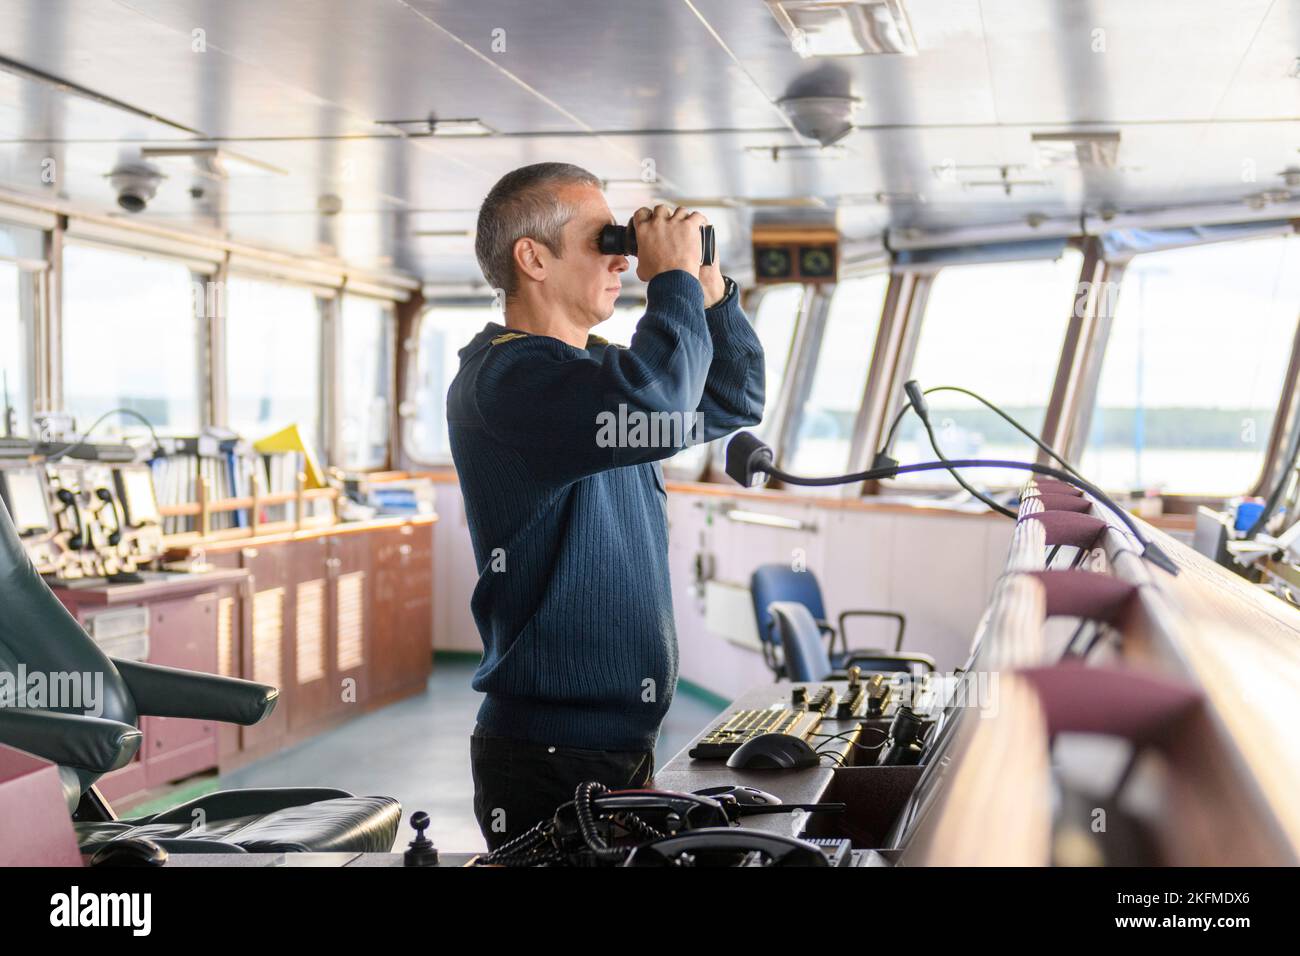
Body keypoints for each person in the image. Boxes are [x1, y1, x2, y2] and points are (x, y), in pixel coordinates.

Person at [447, 161, 764, 850]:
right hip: (549, 752)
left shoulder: (593, 373)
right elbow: (655, 394)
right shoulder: (506, 378)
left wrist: (706, 290)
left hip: (616, 742)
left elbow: (733, 401)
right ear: (532, 258)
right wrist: (669, 279)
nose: (624, 257)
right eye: (604, 240)